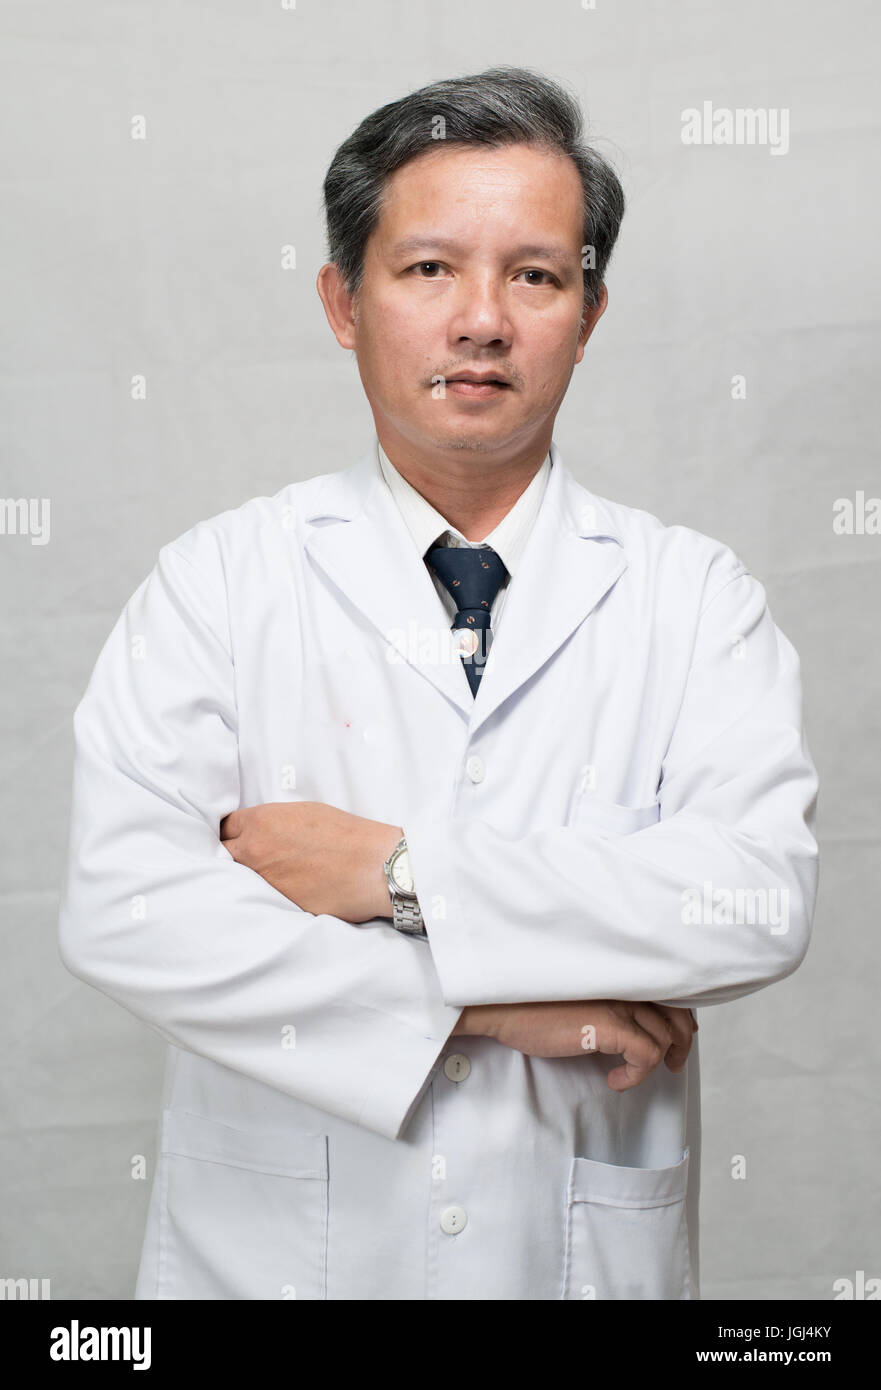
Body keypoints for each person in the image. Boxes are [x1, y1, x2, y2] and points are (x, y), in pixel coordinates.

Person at [58, 67, 819, 1300]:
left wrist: (395, 876)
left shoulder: (693, 596)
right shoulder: (220, 582)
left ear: (589, 310)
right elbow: (127, 909)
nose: (481, 320)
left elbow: (750, 900)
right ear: (342, 302)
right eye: (427, 270)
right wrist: (484, 1006)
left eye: (534, 274)